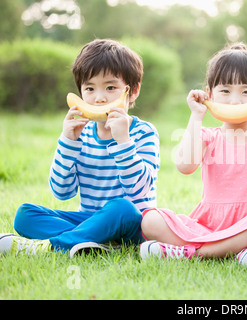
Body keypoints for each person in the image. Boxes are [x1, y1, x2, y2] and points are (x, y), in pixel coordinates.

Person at [140, 43, 247, 265]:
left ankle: (195, 253)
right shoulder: (208, 136)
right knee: (150, 219)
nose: (235, 101)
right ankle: (232, 251)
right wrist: (196, 117)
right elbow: (185, 165)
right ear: (210, 95)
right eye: (225, 91)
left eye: (246, 92)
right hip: (210, 225)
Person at [0, 39, 160, 257]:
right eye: (90, 88)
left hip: (131, 223)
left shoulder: (144, 132)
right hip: (88, 218)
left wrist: (123, 141)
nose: (99, 97)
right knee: (25, 214)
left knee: (121, 207)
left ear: (133, 92)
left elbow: (139, 189)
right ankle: (97, 242)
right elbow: (61, 192)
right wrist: (68, 143)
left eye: (111, 87)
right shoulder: (81, 134)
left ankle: (49, 247)